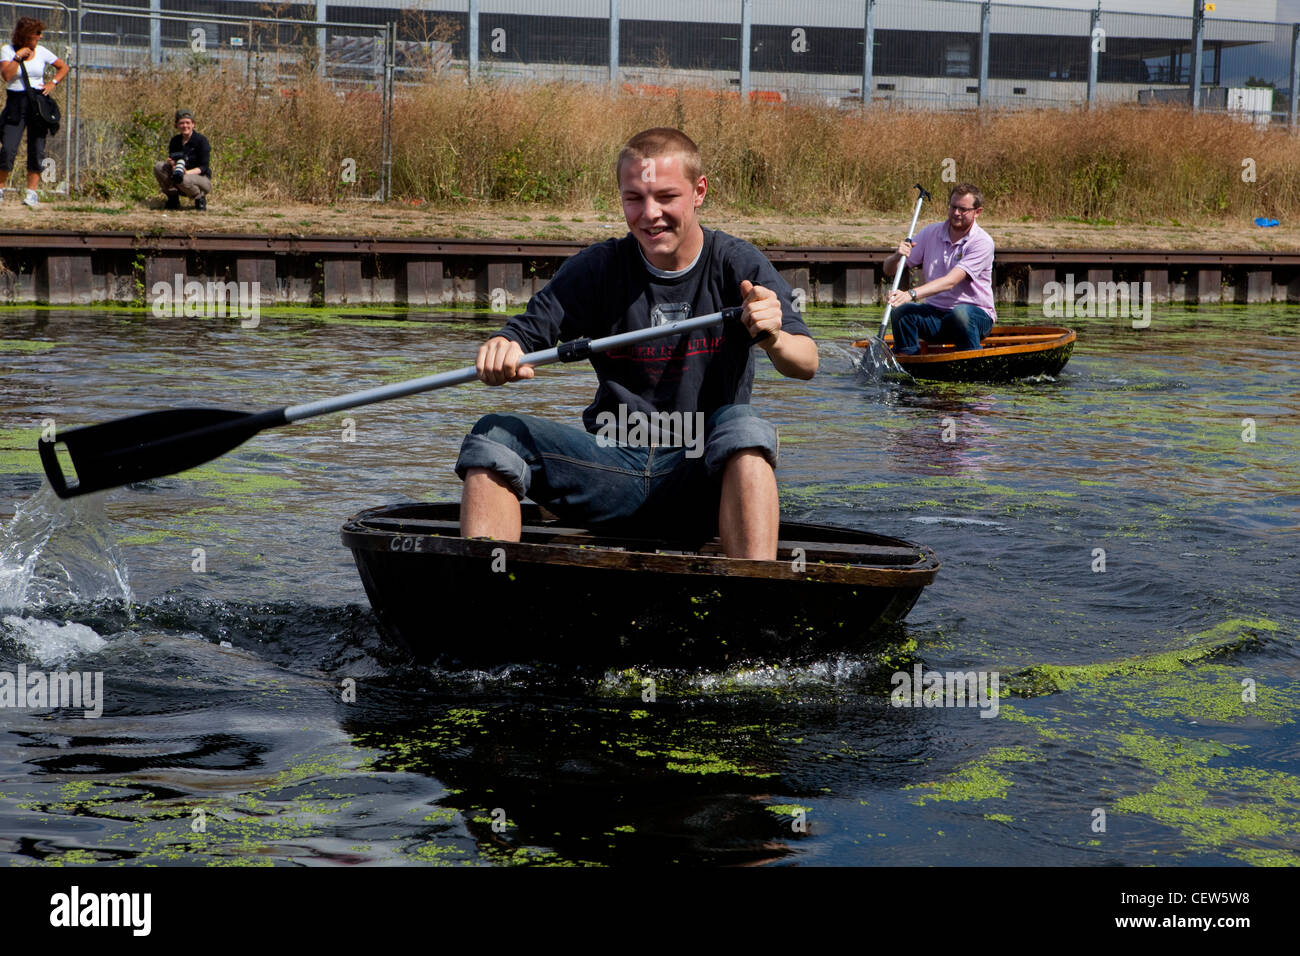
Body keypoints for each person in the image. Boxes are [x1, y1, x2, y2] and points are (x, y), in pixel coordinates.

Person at [456, 127, 818, 559]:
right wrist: (503, 345)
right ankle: (487, 596)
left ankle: (753, 598)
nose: (650, 214)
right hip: (608, 465)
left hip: (700, 474)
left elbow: (806, 361)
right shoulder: (598, 267)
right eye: (634, 198)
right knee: (493, 436)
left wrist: (775, 336)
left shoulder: (736, 261)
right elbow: (525, 332)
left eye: (666, 197)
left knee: (745, 427)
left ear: (699, 191)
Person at [882, 183, 996, 355]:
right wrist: (896, 256)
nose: (956, 213)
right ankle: (908, 362)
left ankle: (969, 360)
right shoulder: (930, 232)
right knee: (902, 311)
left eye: (963, 209)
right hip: (936, 315)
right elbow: (889, 270)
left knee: (961, 314)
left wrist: (910, 294)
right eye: (953, 207)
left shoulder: (982, 242)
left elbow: (950, 282)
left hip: (975, 315)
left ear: (977, 212)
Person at [0, 17, 68, 208]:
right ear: (25, 35)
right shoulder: (8, 50)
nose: (40, 36)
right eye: (37, 33)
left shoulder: (42, 51)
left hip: (37, 102)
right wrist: (17, 57)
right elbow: (6, 76)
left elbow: (63, 67)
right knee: (8, 147)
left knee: (37, 148)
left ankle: (31, 193)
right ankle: (0, 188)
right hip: (16, 102)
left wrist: (52, 83)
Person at [154, 109, 211, 211]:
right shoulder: (175, 141)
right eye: (181, 123)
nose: (185, 126)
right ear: (177, 125)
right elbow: (173, 159)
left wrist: (186, 172)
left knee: (182, 178)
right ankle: (173, 198)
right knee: (159, 166)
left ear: (193, 124)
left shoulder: (201, 141)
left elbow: (204, 167)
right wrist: (172, 164)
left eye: (187, 123)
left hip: (201, 179)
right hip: (180, 176)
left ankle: (199, 198)